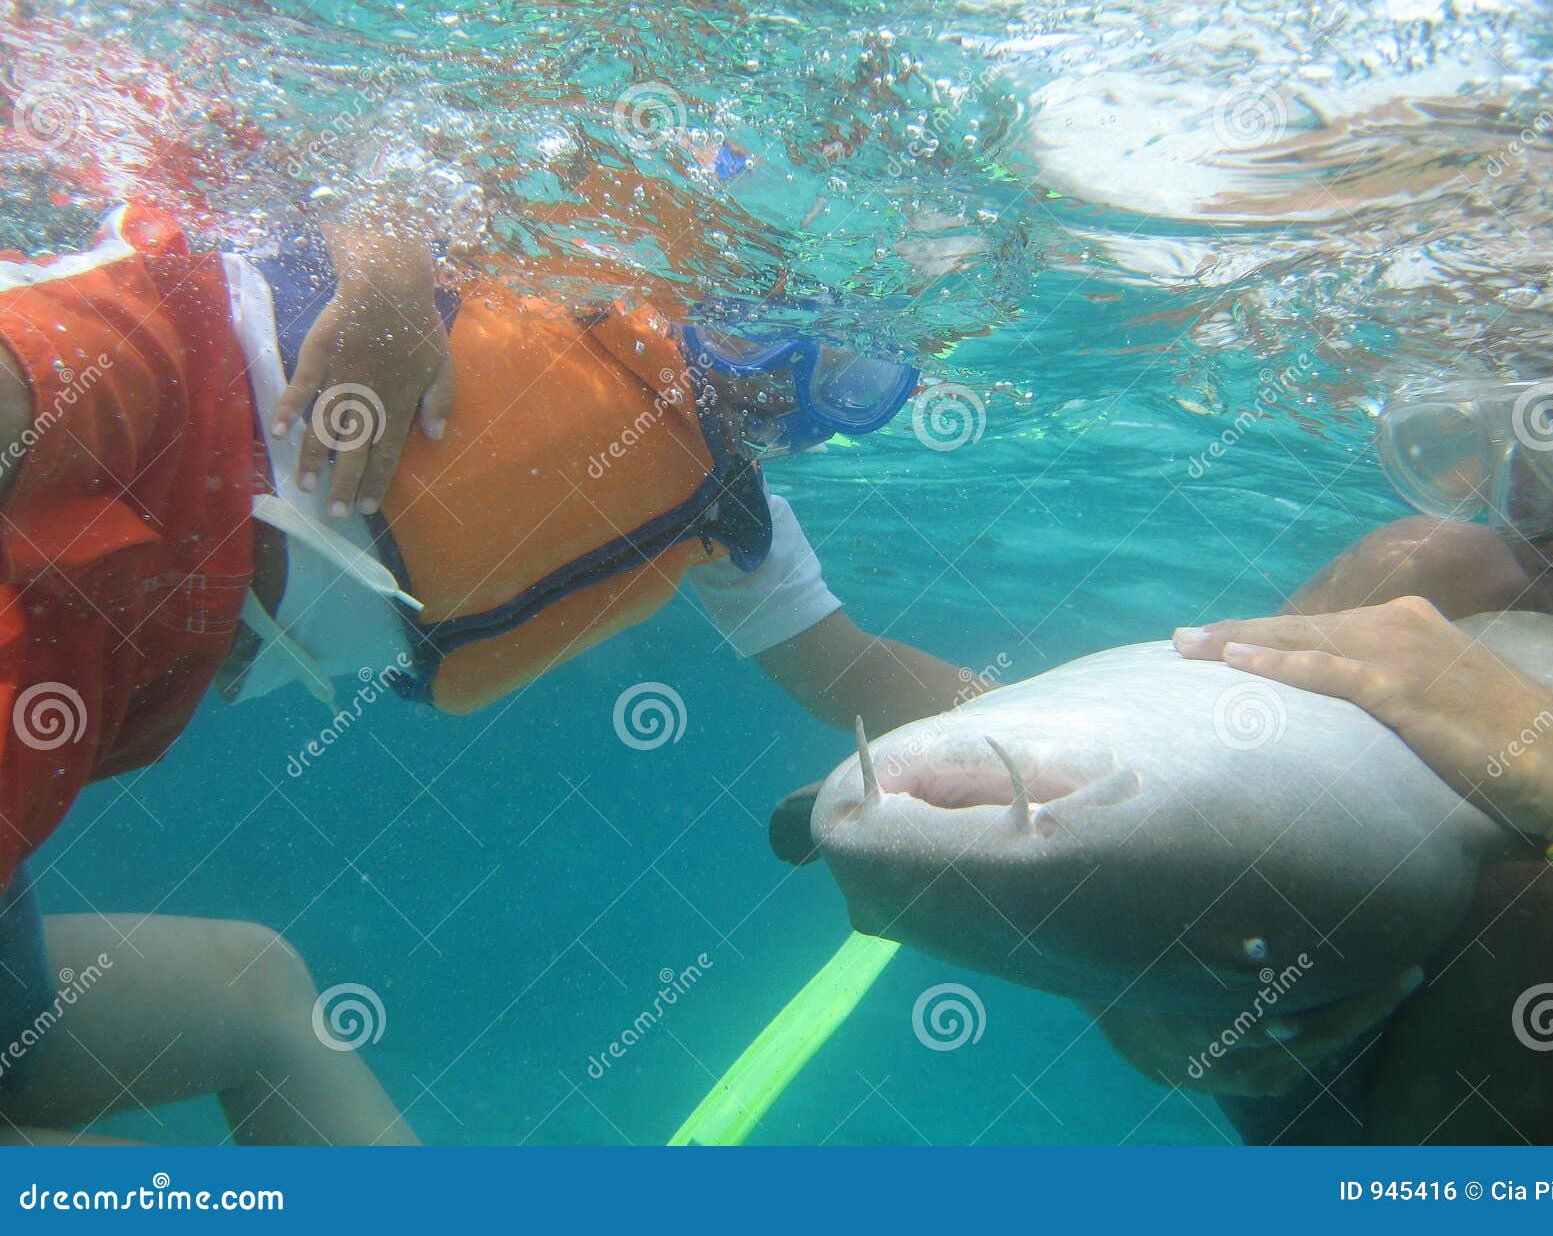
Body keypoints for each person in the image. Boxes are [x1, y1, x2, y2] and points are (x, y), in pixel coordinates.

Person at [0, 202, 969, 1144]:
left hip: (128, 647)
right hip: (172, 369)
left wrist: (1092, 723)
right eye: (766, 330)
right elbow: (374, 164)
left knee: (257, 996)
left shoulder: (731, 525)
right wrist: (385, 291)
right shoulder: (566, 270)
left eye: (845, 378)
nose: (781, 381)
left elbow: (857, 678)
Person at [1093, 377, 1553, 1143]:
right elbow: (1179, 804)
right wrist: (1130, 991)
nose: (1525, 501)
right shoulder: (1420, 580)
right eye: (1500, 435)